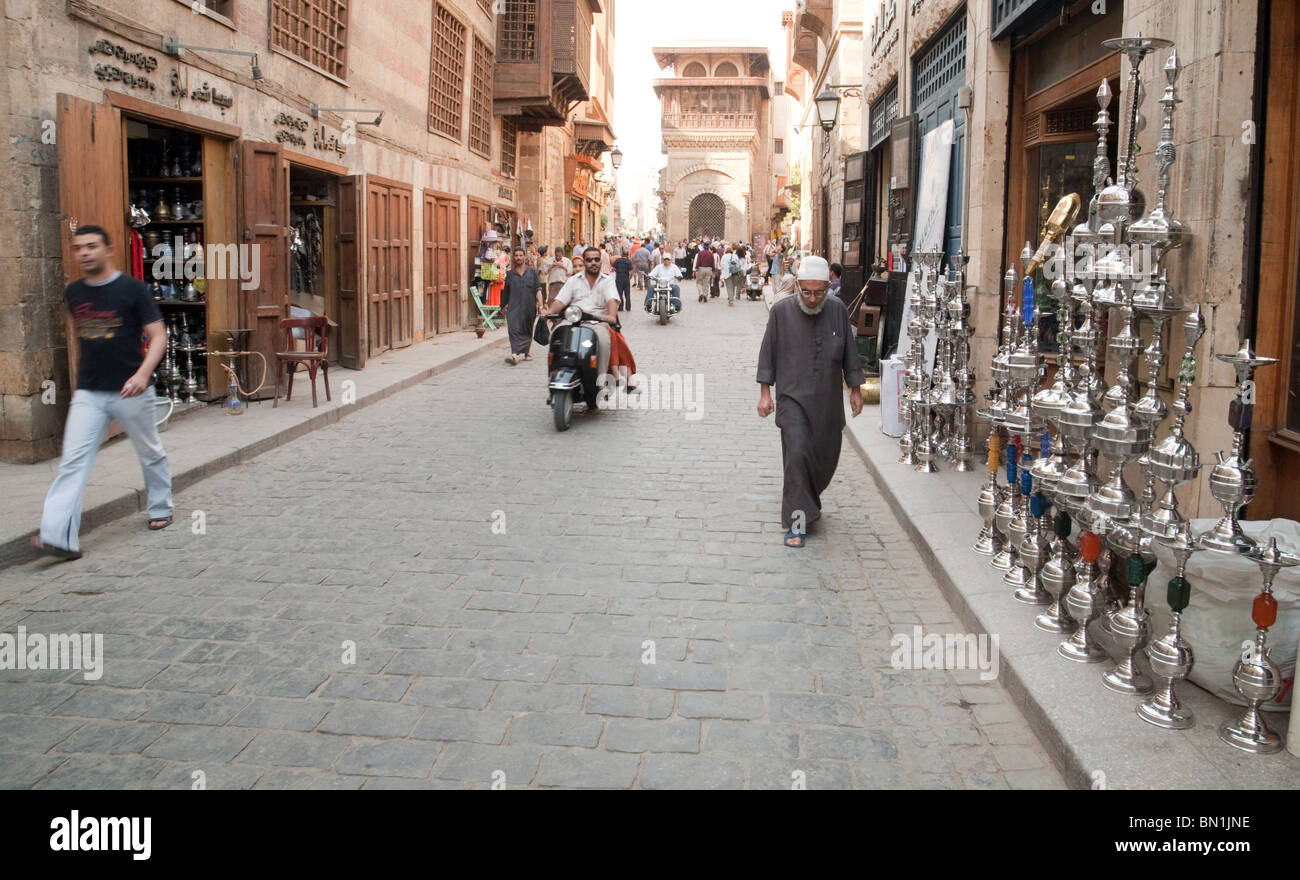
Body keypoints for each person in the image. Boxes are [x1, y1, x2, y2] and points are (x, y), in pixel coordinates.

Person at [32, 225, 172, 560]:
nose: (84, 253)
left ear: (108, 249)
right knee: (72, 462)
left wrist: (142, 374)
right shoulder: (73, 293)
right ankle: (58, 537)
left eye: (91, 247)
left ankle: (160, 506)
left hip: (131, 389)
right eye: (79, 248)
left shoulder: (133, 289)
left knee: (150, 451)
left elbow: (158, 336)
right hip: (90, 392)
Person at [756, 256, 865, 549]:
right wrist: (765, 393)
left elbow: (849, 353)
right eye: (807, 291)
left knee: (823, 456)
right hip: (791, 398)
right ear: (798, 287)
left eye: (820, 292)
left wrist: (855, 389)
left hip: (827, 400)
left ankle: (808, 497)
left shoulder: (838, 310)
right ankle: (798, 521)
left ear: (828, 288)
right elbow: (768, 353)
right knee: (798, 452)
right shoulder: (781, 312)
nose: (813, 298)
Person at [541, 247, 620, 388]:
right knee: (556, 336)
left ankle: (600, 381)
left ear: (600, 261)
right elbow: (560, 300)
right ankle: (554, 373)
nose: (593, 262)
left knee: (603, 341)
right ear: (585, 262)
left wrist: (611, 315)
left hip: (597, 322)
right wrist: (549, 312)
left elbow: (612, 300)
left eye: (596, 259)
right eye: (589, 260)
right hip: (572, 320)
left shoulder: (607, 281)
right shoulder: (573, 280)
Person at [503, 246, 544, 366]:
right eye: (516, 256)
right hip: (513, 307)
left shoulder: (531, 272)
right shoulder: (510, 274)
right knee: (513, 329)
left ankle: (527, 352)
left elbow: (538, 290)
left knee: (527, 329)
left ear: (525, 257)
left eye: (521, 255)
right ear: (513, 258)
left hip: (529, 306)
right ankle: (514, 354)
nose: (518, 258)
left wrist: (541, 306)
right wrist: (502, 306)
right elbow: (506, 291)